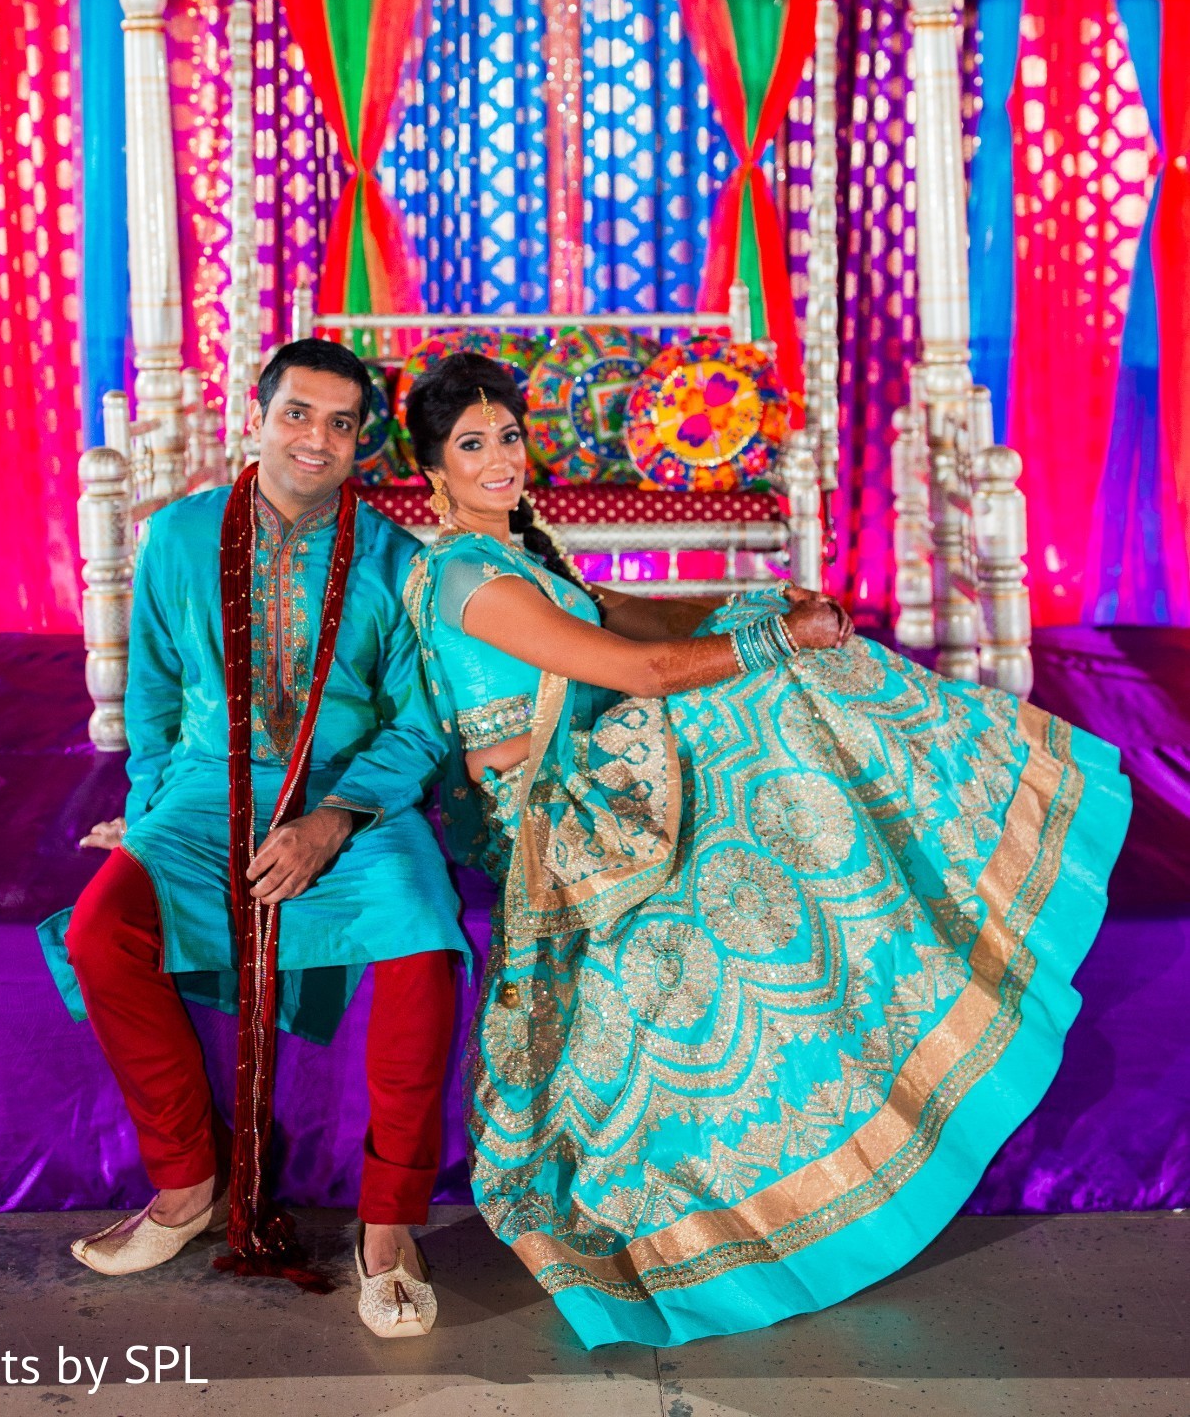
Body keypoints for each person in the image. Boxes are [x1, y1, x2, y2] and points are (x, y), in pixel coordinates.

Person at [401, 352, 1130, 1350]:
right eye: (472, 445)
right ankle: (948, 844)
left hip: (602, 765)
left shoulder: (523, 553)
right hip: (560, 816)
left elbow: (640, 618)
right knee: (775, 698)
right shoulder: (460, 574)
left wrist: (756, 613)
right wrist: (773, 646)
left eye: (510, 436)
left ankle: (921, 879)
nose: (501, 459)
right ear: (431, 468)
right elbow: (635, 666)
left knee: (779, 659)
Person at [39, 339, 468, 1339]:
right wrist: (149, 818)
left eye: (341, 422)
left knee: (423, 940)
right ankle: (189, 1184)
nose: (315, 439)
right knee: (104, 931)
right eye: (298, 413)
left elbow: (418, 722)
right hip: (201, 789)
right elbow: (151, 697)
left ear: (364, 439)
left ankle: (390, 1224)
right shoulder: (177, 536)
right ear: (256, 412)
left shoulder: (398, 558)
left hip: (353, 799)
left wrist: (331, 819)